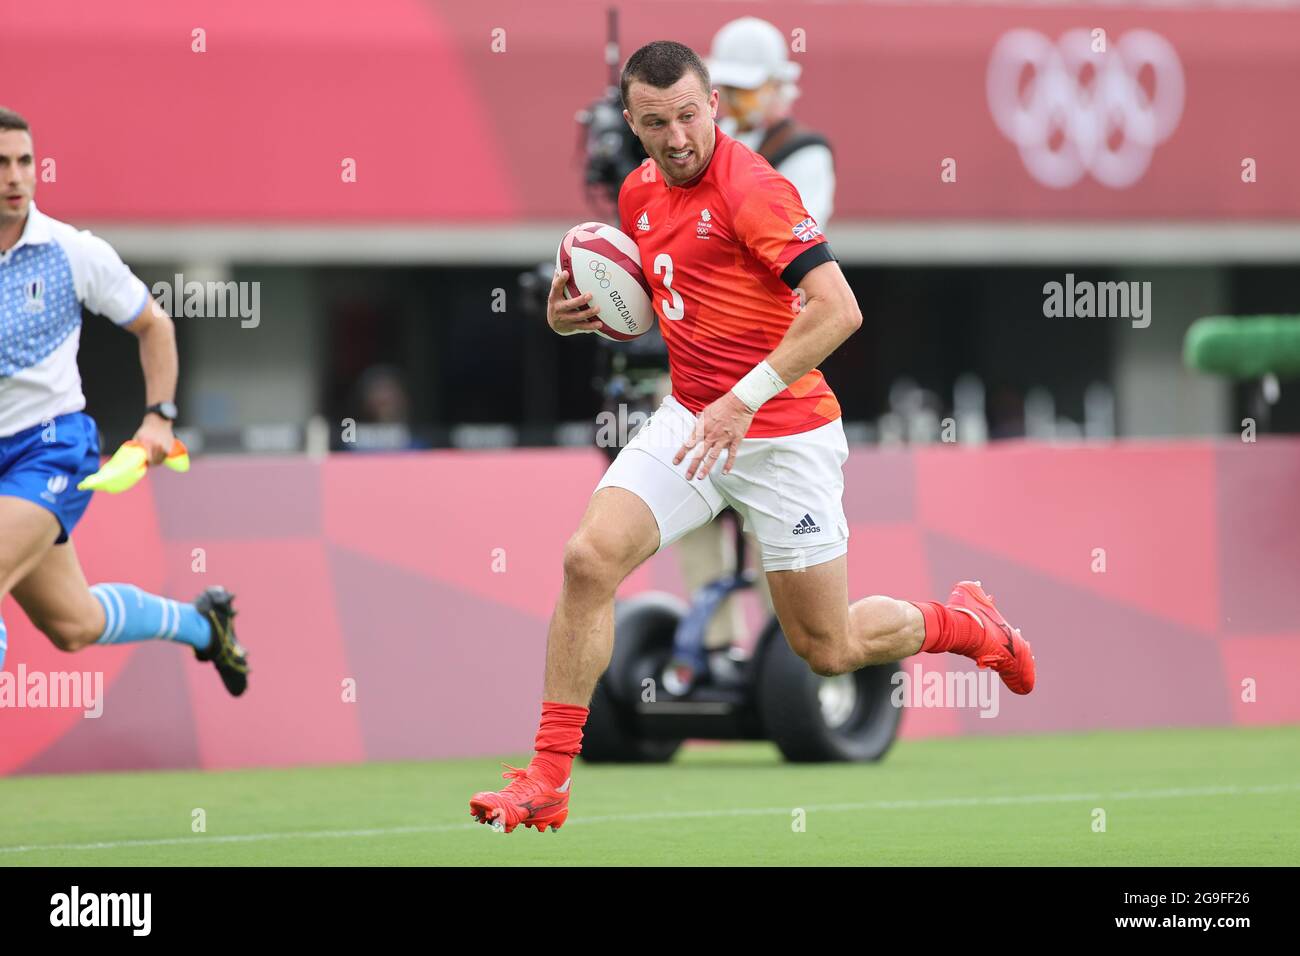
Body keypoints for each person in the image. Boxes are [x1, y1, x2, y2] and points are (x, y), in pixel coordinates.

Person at [468, 43, 1034, 834]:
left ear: (715, 109)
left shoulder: (754, 188)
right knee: (587, 559)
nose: (677, 137)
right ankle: (549, 779)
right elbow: (664, 301)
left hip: (783, 434)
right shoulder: (635, 194)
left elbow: (838, 310)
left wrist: (744, 399)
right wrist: (579, 314)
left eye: (690, 115)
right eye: (656, 122)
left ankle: (969, 624)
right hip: (694, 420)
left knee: (826, 648)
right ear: (632, 123)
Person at [0, 107, 248, 694]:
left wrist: (158, 417)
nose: (15, 176)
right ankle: (202, 625)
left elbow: (155, 326)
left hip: (49, 448)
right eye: (1, 164)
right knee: (73, 624)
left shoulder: (70, 251)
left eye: (25, 162)